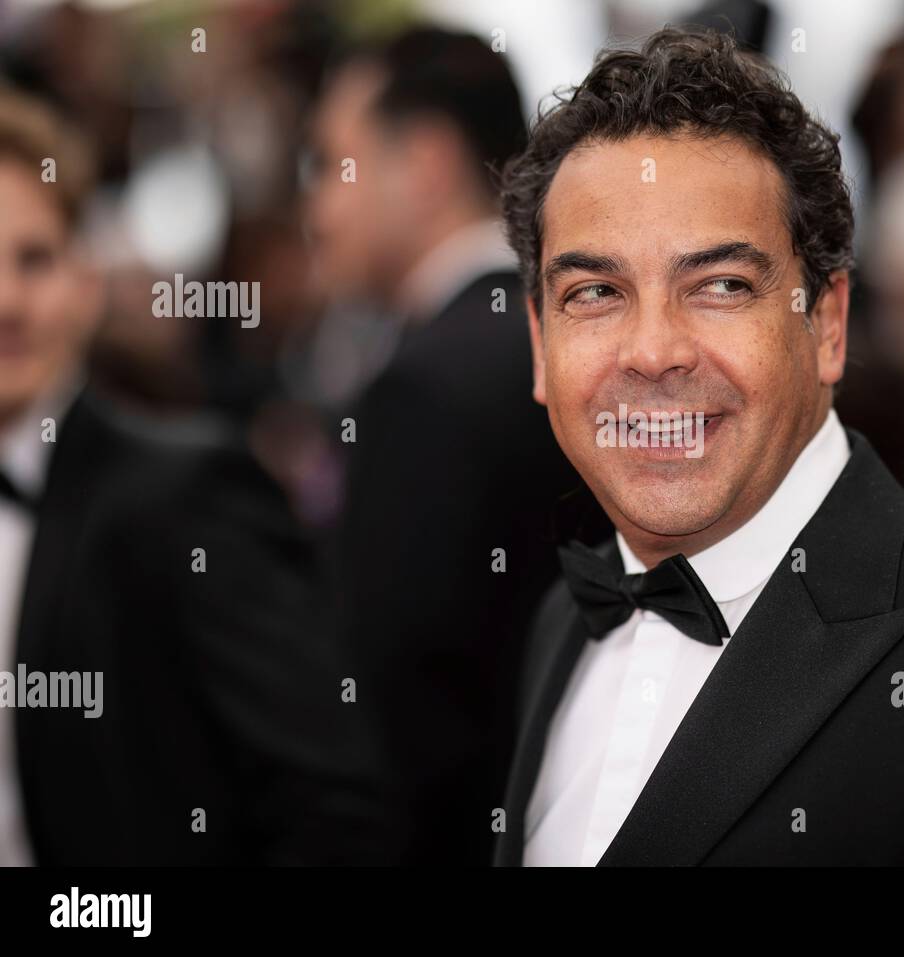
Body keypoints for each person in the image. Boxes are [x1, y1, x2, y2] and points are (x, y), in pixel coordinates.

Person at [491, 27, 904, 866]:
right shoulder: (560, 620)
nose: (651, 350)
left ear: (827, 324)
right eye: (595, 292)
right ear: (537, 343)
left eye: (720, 286)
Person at [0, 88, 392, 865]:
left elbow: (334, 809)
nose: (5, 301)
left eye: (34, 260)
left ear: (86, 280)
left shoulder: (188, 496)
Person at [306, 27, 579, 864]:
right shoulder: (567, 345)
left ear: (424, 162)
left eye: (330, 164)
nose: (317, 207)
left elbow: (397, 720)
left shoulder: (426, 387)